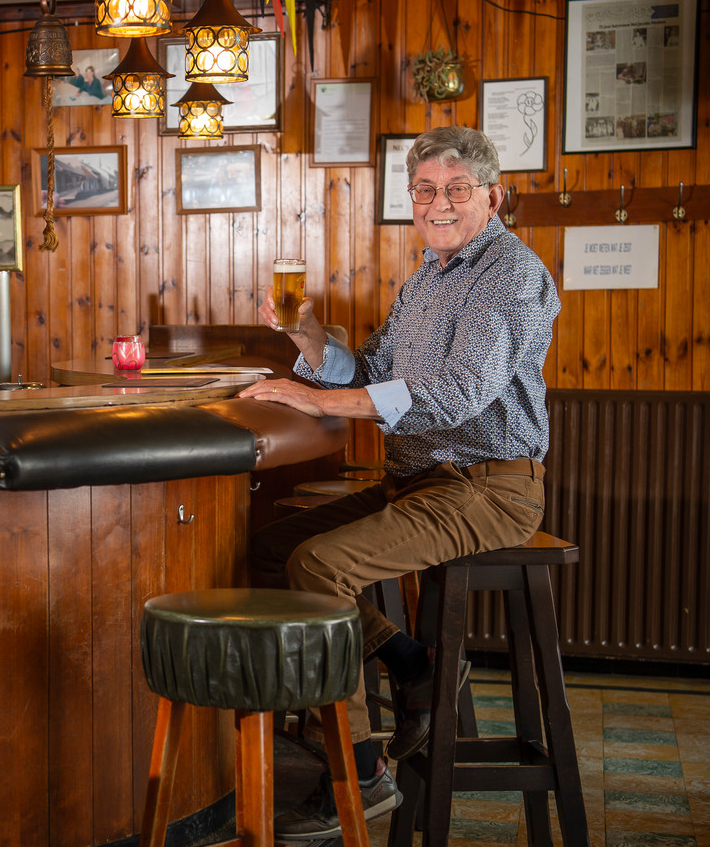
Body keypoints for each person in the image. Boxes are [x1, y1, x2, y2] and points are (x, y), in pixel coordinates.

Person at [238, 126, 560, 839]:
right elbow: (377, 370)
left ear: (493, 196)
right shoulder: (427, 277)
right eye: (424, 189)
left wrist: (317, 402)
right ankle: (412, 661)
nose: (437, 202)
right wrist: (312, 343)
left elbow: (458, 394)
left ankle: (359, 769)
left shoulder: (509, 274)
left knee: (320, 566)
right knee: (270, 549)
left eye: (455, 189)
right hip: (419, 481)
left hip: (489, 487)